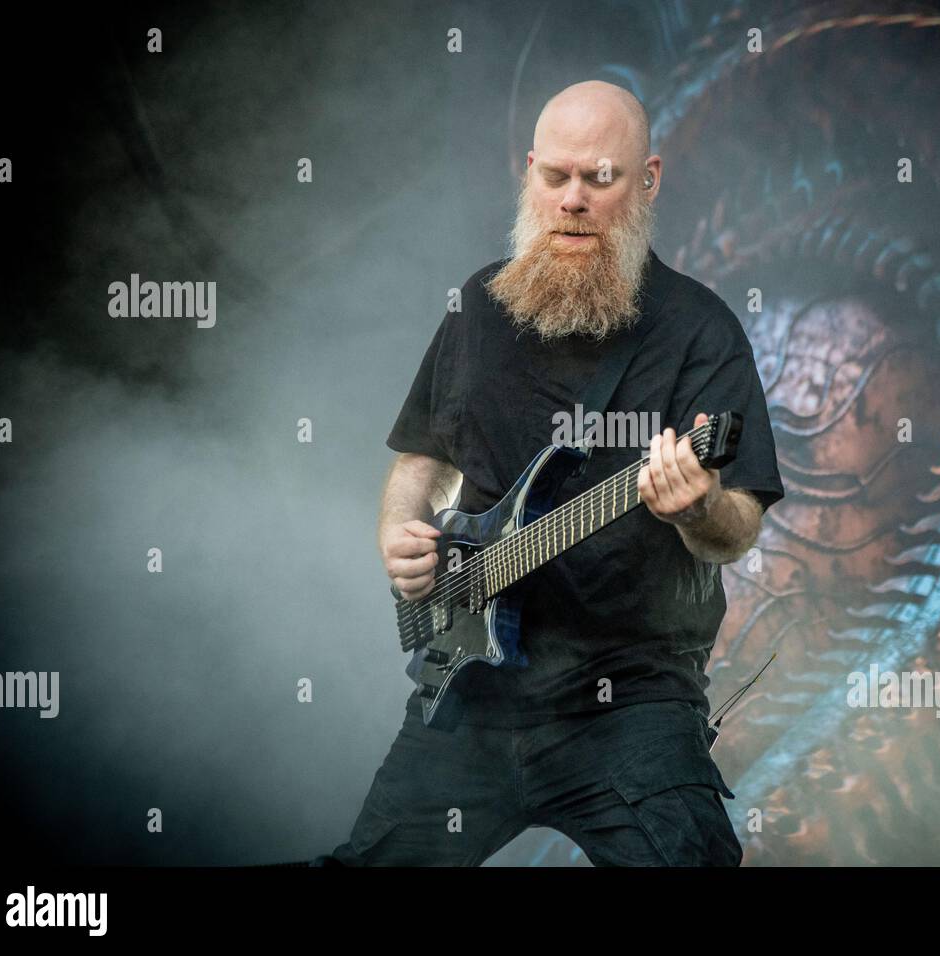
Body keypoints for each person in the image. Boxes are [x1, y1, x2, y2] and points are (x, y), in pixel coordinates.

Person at [318, 80, 784, 867]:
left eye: (598, 179)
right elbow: (422, 464)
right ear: (529, 172)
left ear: (647, 179)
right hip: (470, 695)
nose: (573, 200)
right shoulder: (476, 308)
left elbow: (735, 530)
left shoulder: (700, 331)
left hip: (629, 701)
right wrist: (400, 531)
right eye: (555, 177)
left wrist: (696, 509)